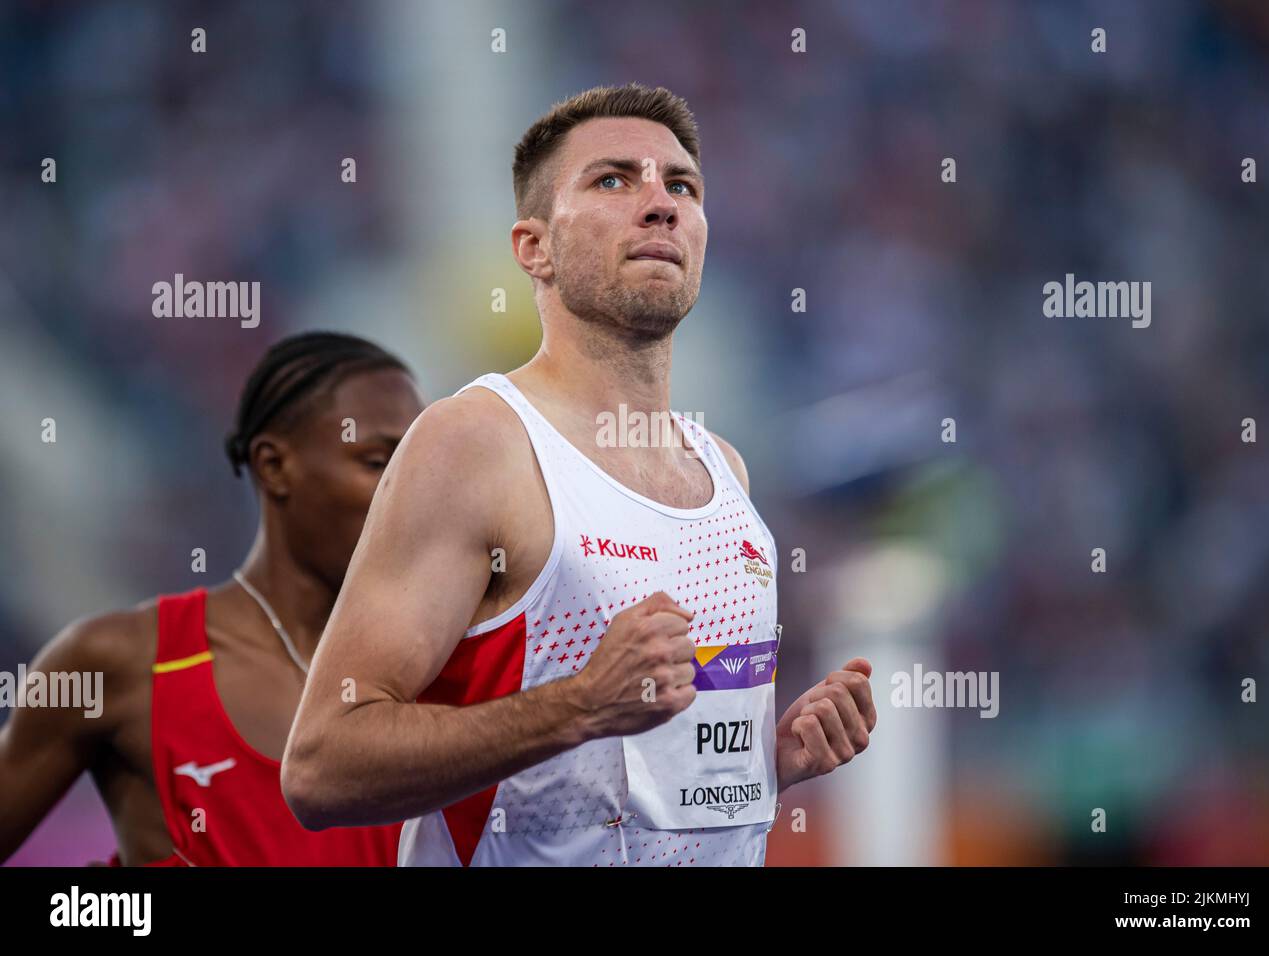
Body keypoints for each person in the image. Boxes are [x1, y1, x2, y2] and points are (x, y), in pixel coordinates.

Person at [282, 85, 876, 866]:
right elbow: (322, 766)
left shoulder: (725, 470)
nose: (660, 204)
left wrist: (767, 764)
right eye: (613, 180)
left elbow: (634, 781)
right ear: (535, 248)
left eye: (682, 186)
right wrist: (580, 704)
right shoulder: (476, 445)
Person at [0, 332, 424, 865]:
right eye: (378, 462)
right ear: (274, 466)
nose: (413, 492)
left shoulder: (448, 672)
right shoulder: (122, 663)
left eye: (420, 467)